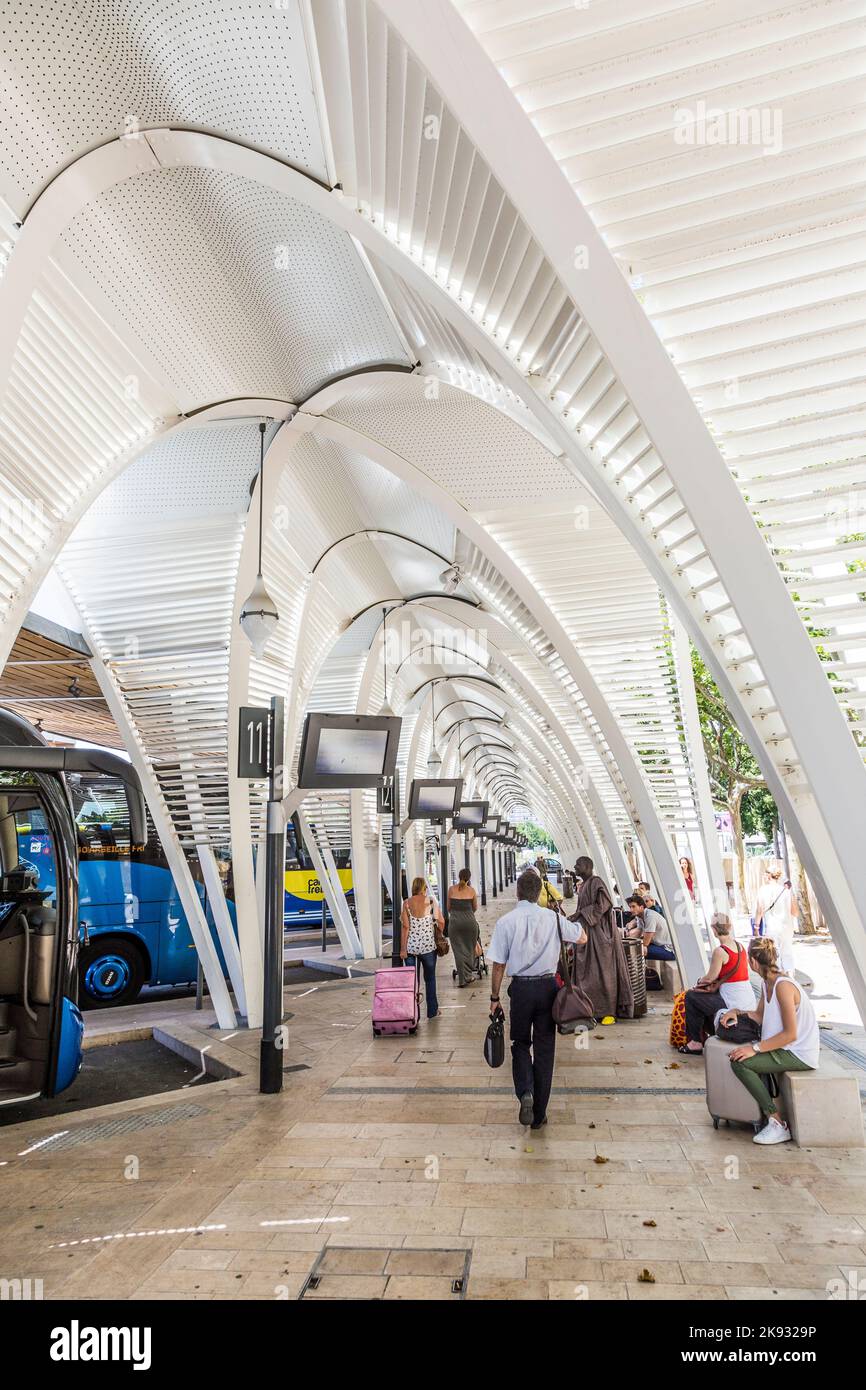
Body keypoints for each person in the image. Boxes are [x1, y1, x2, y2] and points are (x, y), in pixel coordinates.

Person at [488, 867, 585, 1129]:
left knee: (520, 1043)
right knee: (544, 1049)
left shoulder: (506, 922)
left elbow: (498, 965)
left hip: (520, 990)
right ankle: (539, 1114)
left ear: (518, 892)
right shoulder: (552, 919)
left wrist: (494, 997)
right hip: (547, 989)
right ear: (539, 892)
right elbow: (582, 936)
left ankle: (525, 1091)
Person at [722, 937, 820, 1145]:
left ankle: (776, 1122)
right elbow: (759, 1015)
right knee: (739, 1054)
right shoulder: (768, 982)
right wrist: (736, 1013)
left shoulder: (783, 986)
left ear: (753, 961)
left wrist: (754, 1049)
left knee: (741, 1063)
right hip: (786, 1047)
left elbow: (790, 1034)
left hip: (798, 1052)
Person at [678, 914, 754, 1054]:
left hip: (730, 1000)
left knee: (691, 996)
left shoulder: (720, 951)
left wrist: (699, 982)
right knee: (703, 999)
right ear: (729, 927)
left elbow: (710, 978)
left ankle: (695, 1041)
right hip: (746, 999)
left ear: (713, 930)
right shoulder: (740, 947)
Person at [570, 856, 635, 1018]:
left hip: (600, 937)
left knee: (603, 974)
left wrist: (581, 914)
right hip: (587, 935)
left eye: (578, 864)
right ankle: (588, 1008)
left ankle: (606, 1010)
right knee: (587, 972)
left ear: (587, 866)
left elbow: (603, 905)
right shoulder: (584, 885)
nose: (575, 867)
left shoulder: (596, 882)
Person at [400, 877, 444, 1020]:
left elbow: (405, 928)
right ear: (424, 888)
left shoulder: (406, 903)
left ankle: (414, 1013)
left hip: (411, 948)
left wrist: (403, 949)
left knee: (413, 982)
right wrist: (438, 932)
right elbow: (441, 921)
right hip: (428, 948)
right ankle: (432, 1011)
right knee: (430, 979)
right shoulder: (430, 901)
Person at [754, 865, 798, 974]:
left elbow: (759, 910)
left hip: (772, 927)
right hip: (786, 927)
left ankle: (777, 980)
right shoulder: (786, 891)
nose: (763, 876)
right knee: (787, 952)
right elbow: (795, 912)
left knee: (773, 954)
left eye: (765, 874)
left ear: (769, 875)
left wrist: (756, 927)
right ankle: (790, 978)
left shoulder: (763, 890)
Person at [447, 868, 480, 987]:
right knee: (470, 949)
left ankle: (463, 979)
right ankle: (468, 975)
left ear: (458, 876)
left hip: (455, 923)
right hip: (469, 923)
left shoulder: (451, 890)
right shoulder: (472, 891)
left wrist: (457, 912)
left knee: (458, 951)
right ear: (469, 878)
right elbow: (475, 908)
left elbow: (448, 908)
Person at [626, 893, 676, 962]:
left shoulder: (650, 916)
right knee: (632, 948)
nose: (631, 910)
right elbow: (638, 933)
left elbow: (646, 942)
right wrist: (625, 941)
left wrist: (629, 946)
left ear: (641, 907)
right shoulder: (640, 917)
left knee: (640, 949)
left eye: (633, 907)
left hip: (668, 950)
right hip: (658, 945)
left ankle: (637, 971)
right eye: (630, 907)